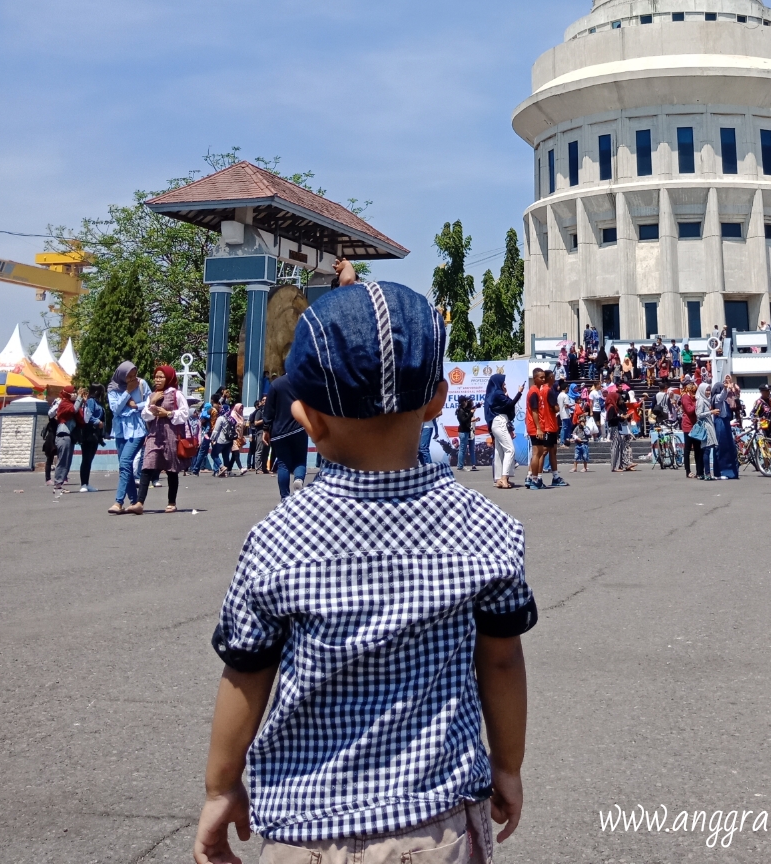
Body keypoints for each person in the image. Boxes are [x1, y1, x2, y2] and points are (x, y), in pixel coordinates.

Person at [191, 278, 535, 864]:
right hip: (435, 823)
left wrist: (221, 787)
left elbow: (246, 672)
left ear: (308, 420)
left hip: (302, 829)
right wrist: (508, 765)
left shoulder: (277, 538)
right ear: (436, 402)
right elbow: (501, 661)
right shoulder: (486, 529)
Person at [132, 365, 190, 514]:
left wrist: (168, 413)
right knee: (147, 466)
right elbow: (145, 416)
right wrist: (152, 403)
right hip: (154, 435)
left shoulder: (176, 394)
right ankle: (139, 503)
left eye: (161, 377)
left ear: (168, 378)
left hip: (171, 436)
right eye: (156, 377)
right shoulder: (152, 395)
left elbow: (185, 414)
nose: (157, 380)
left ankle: (172, 502)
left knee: (171, 469)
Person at [107, 361, 151, 515]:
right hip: (120, 431)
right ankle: (134, 502)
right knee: (124, 466)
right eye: (129, 376)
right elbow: (116, 409)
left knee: (125, 462)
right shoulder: (113, 389)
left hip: (137, 429)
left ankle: (118, 502)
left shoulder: (142, 384)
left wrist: (136, 406)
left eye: (134, 375)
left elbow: (151, 402)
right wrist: (127, 392)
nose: (133, 379)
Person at [263, 370, 308, 500]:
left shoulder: (276, 384)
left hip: (279, 431)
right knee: (300, 460)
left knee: (283, 464)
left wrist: (266, 429)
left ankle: (285, 498)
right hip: (299, 429)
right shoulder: (303, 382)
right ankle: (298, 479)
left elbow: (269, 409)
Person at [525, 369, 566, 490]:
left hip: (545, 425)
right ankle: (535, 478)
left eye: (544, 377)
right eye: (541, 377)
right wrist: (538, 427)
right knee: (541, 452)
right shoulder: (542, 391)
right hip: (545, 426)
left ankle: (536, 477)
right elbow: (537, 410)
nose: (543, 379)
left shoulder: (539, 390)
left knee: (544, 452)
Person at [484, 372, 520, 490]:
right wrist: (519, 393)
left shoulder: (493, 393)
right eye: (503, 382)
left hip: (497, 423)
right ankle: (504, 478)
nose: (504, 384)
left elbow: (507, 406)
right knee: (510, 449)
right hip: (500, 422)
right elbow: (510, 404)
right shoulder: (498, 393)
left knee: (499, 452)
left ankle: (499, 478)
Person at [75, 383, 107, 491]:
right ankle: (83, 484)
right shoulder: (91, 401)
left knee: (89, 459)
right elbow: (87, 416)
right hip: (88, 433)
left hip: (95, 434)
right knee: (86, 458)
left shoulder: (98, 402)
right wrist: (98, 422)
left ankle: (86, 483)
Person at [48, 387, 78, 495]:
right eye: (73, 392)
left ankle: (59, 485)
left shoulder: (71, 403)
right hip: (63, 434)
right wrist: (79, 399)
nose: (74, 394)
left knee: (67, 462)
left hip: (69, 435)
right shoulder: (64, 403)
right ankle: (57, 486)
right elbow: (73, 410)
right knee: (62, 461)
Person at [711, 375, 741, 480]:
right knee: (721, 447)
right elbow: (722, 396)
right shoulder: (716, 398)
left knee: (730, 447)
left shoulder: (723, 401)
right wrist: (725, 388)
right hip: (720, 424)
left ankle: (730, 471)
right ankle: (721, 472)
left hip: (725, 424)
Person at [694, 382, 718, 479]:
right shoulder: (701, 401)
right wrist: (711, 412)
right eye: (706, 390)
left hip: (707, 426)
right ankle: (707, 473)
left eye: (709, 390)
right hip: (705, 428)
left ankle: (705, 473)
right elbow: (699, 414)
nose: (708, 392)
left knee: (706, 450)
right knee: (706, 451)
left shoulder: (705, 400)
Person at [454, 393, 478, 472]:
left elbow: (470, 409)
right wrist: (471, 413)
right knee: (462, 449)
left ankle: (460, 466)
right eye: (466, 401)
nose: (467, 402)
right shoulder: (460, 411)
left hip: (466, 431)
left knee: (463, 450)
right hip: (463, 432)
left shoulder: (464, 409)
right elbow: (464, 421)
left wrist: (477, 406)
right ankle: (460, 466)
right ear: (463, 402)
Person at [571, 406, 590, 473]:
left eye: (583, 421)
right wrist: (576, 438)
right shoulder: (577, 427)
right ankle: (575, 468)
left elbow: (588, 433)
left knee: (585, 456)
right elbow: (573, 434)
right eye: (580, 421)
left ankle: (585, 467)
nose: (581, 423)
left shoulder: (586, 427)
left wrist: (584, 426)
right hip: (578, 444)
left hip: (584, 444)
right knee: (576, 456)